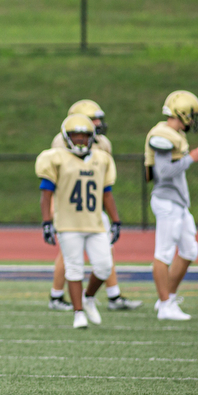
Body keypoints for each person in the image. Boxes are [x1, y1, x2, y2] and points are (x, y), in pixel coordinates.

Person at [46, 100, 141, 312]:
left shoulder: (103, 143)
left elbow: (104, 179)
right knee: (69, 254)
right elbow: (56, 178)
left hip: (93, 206)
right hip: (70, 205)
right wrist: (53, 207)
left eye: (98, 119)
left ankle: (112, 294)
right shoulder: (61, 142)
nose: (98, 123)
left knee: (106, 251)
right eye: (93, 119)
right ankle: (57, 295)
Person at [36, 114, 120, 329]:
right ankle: (78, 313)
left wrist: (116, 220)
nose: (80, 139)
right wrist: (47, 222)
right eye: (76, 135)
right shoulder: (56, 158)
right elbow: (46, 194)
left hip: (95, 222)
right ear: (67, 138)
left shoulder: (101, 159)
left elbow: (107, 193)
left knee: (104, 266)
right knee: (74, 269)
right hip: (68, 223)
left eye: (84, 136)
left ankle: (88, 297)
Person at [144, 90, 198, 321]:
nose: (194, 121)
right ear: (182, 113)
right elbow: (164, 171)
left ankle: (167, 297)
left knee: (190, 250)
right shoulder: (162, 134)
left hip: (177, 202)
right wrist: (190, 159)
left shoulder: (174, 134)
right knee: (164, 253)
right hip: (166, 201)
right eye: (192, 115)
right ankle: (165, 305)